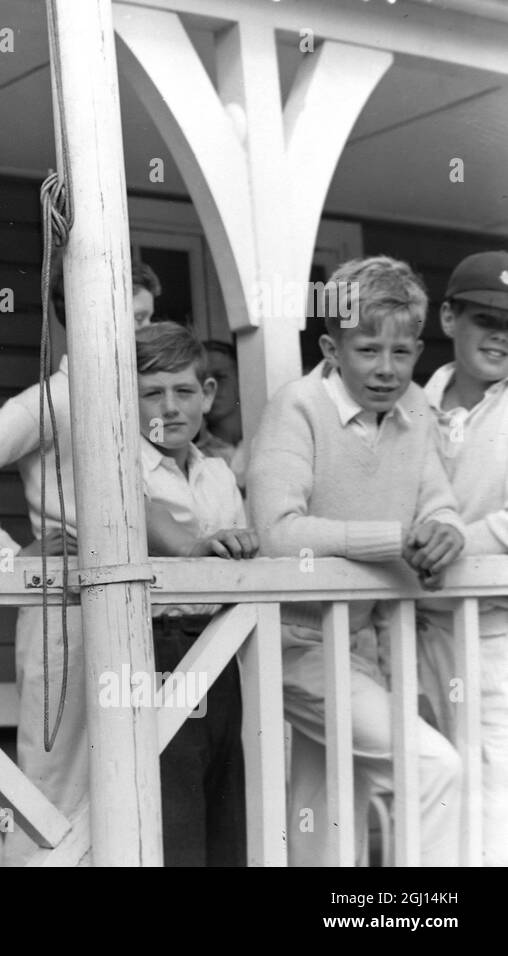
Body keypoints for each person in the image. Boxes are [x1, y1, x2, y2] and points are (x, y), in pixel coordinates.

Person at [248, 255, 464, 866]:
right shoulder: (298, 405)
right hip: (295, 642)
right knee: (434, 767)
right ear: (331, 347)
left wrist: (445, 529)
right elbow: (278, 533)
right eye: (368, 350)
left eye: (402, 352)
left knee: (330, 806)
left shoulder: (417, 408)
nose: (386, 370)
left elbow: (438, 502)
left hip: (364, 646)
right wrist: (393, 538)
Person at [0, 256, 162, 865]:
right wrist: (7, 551)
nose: (136, 334)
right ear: (68, 316)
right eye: (120, 318)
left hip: (135, 604)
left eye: (145, 320)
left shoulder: (146, 403)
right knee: (53, 777)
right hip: (63, 608)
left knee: (126, 774)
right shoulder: (50, 401)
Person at [134, 321, 255, 866]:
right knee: (174, 799)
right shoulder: (122, 466)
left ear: (207, 395)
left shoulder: (218, 474)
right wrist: (197, 547)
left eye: (184, 390)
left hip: (221, 644)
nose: (170, 406)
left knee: (224, 791)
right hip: (159, 647)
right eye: (151, 392)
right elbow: (150, 518)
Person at [417, 249, 508, 865]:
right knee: (430, 789)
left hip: (497, 629)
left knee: (495, 789)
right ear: (449, 318)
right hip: (412, 626)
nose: (500, 337)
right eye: (486, 319)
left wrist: (456, 539)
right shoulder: (409, 405)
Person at [196, 339, 248, 490]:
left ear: (240, 379)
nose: (212, 388)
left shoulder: (259, 440)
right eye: (202, 380)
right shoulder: (190, 455)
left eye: (220, 377)